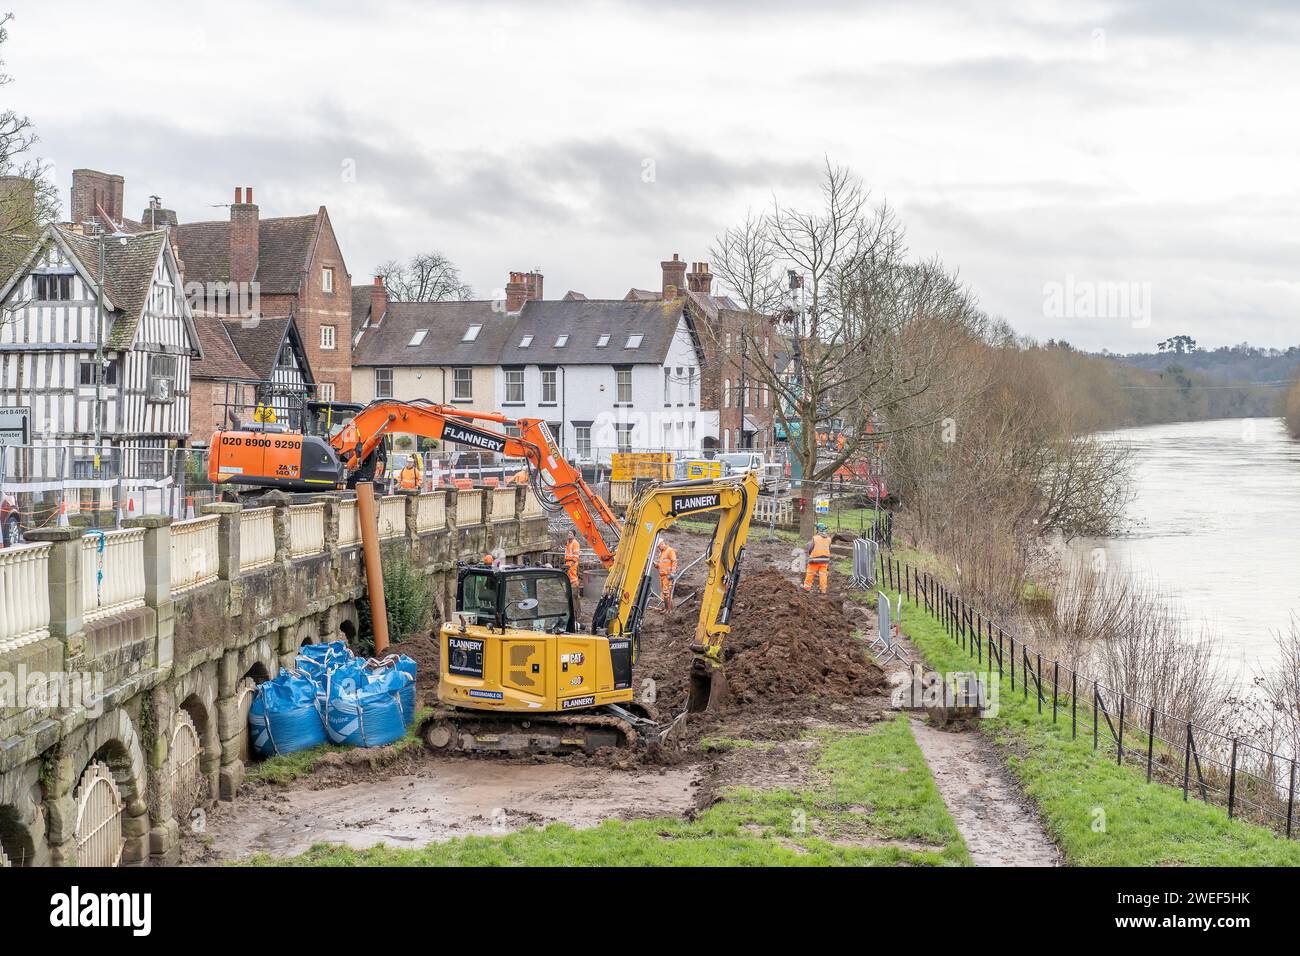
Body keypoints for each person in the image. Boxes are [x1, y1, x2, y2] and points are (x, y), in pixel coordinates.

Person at [803, 522, 832, 594]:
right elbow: (828, 548)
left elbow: (810, 548)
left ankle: (807, 588)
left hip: (814, 559)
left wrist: (810, 555)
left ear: (818, 530)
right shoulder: (829, 539)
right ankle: (823, 590)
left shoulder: (815, 538)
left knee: (810, 573)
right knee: (823, 575)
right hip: (825, 560)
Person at [656, 539, 677, 611]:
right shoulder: (662, 553)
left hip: (667, 575)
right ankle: (666, 608)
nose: (658, 548)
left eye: (658, 546)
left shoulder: (669, 550)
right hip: (662, 575)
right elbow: (663, 564)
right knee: (664, 593)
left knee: (666, 592)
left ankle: (668, 609)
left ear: (662, 544)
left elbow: (674, 561)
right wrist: (657, 565)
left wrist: (673, 572)